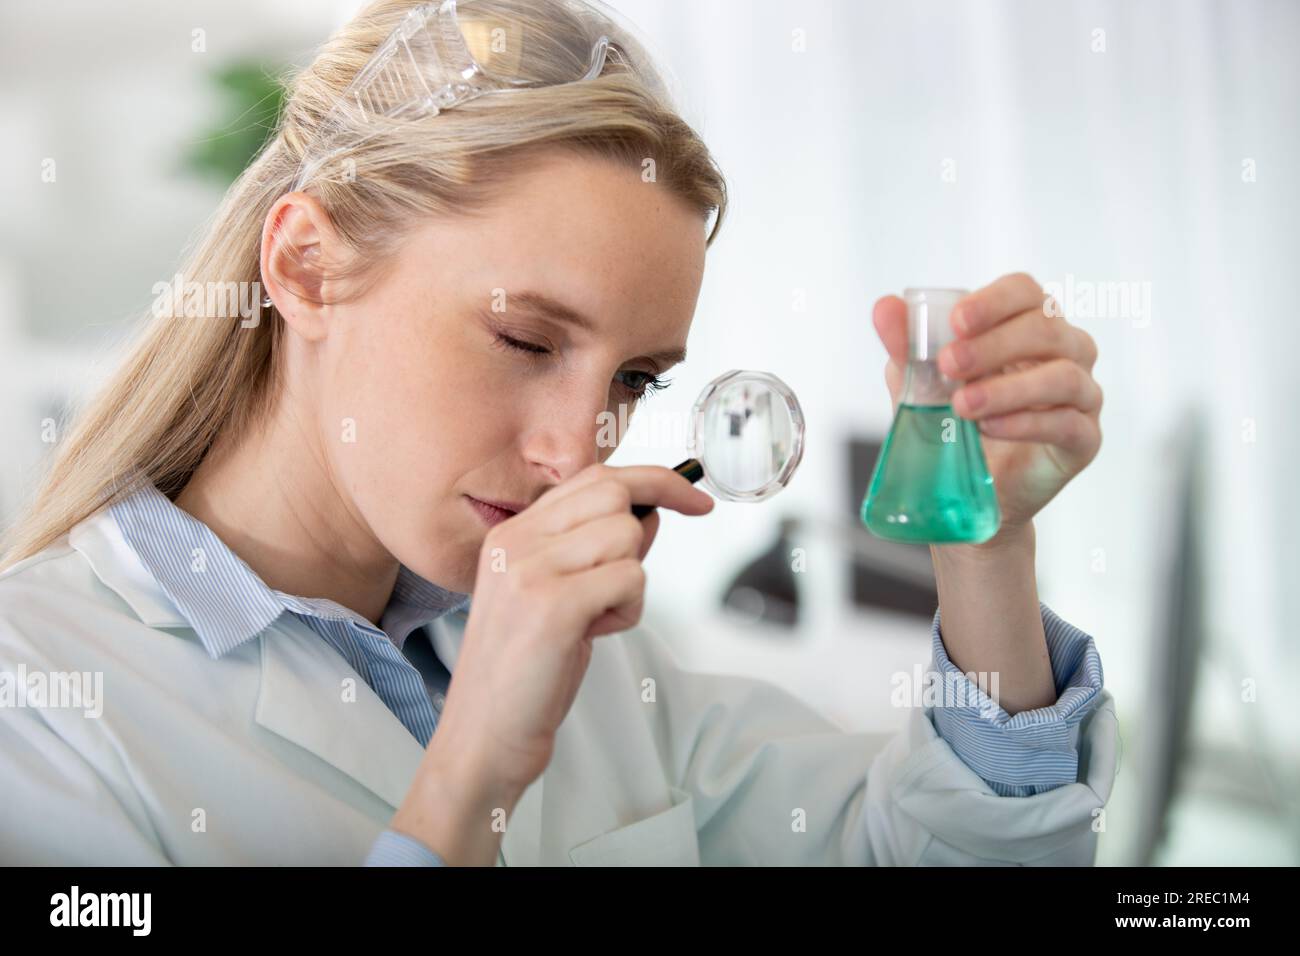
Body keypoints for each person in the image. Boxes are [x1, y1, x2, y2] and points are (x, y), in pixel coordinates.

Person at [0, 0, 1115, 866]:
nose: (574, 454)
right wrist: (474, 769)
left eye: (632, 377)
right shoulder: (41, 705)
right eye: (526, 341)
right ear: (306, 265)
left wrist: (986, 555)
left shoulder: (602, 663)